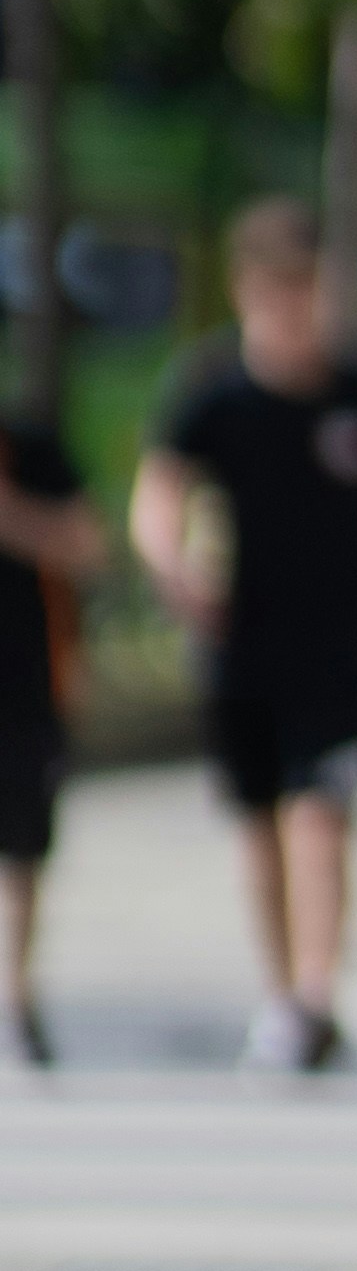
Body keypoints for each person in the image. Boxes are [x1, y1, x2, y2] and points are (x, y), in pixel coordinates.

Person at [130, 202, 357, 1074]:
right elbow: (159, 491)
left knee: (320, 819)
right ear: (245, 291)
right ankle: (280, 993)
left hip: (340, 647)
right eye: (277, 289)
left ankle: (317, 992)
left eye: (308, 288)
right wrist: (174, 570)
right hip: (242, 648)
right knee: (260, 828)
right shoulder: (212, 391)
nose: (296, 308)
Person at [0, 416, 102, 1065]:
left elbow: (89, 544)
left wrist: (11, 515)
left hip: (26, 685)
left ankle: (17, 996)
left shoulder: (32, 449)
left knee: (24, 850)